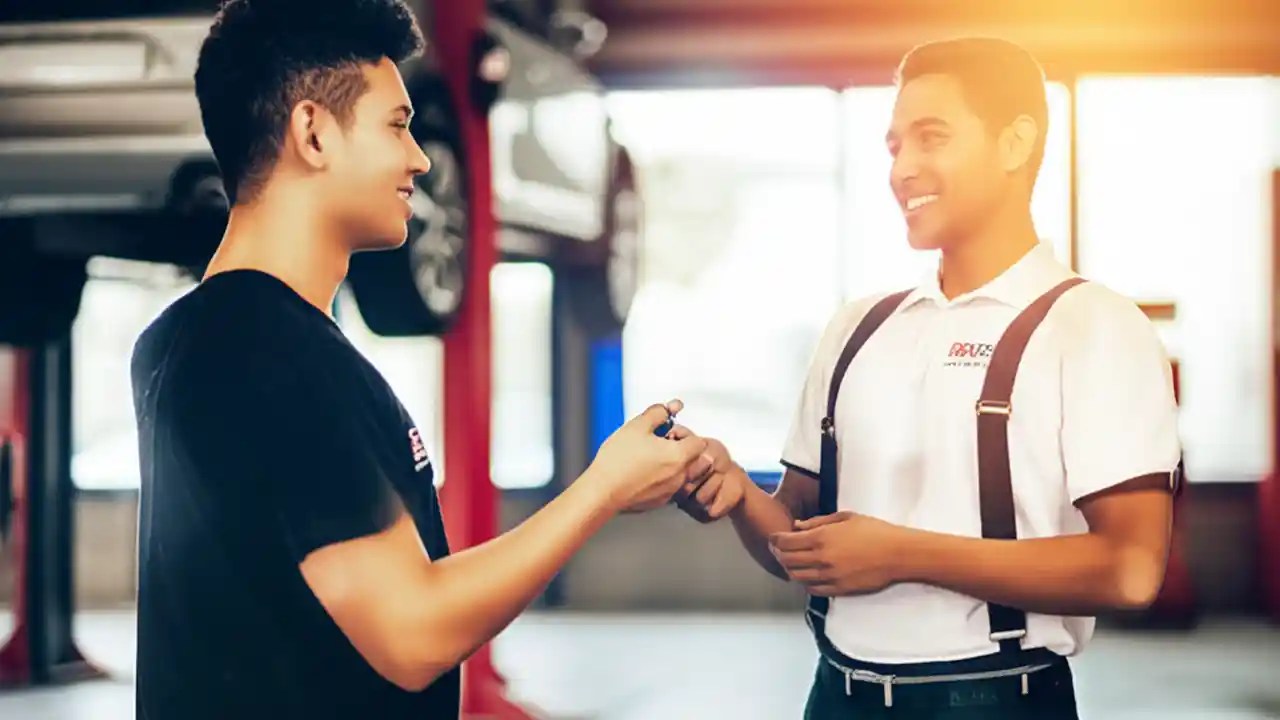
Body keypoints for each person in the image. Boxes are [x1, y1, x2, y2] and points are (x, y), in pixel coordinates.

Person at [129, 1, 710, 718]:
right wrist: (602, 490)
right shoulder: (272, 351)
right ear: (313, 133)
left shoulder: (181, 337)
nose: (421, 158)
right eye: (396, 125)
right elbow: (414, 632)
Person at [674, 37, 1182, 718]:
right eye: (893, 147)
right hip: (836, 696)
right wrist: (736, 490)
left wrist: (903, 555)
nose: (902, 169)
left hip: (995, 701)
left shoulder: (1093, 325)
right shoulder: (858, 329)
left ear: (1014, 144)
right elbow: (798, 538)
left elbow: (1130, 569)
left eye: (931, 137)